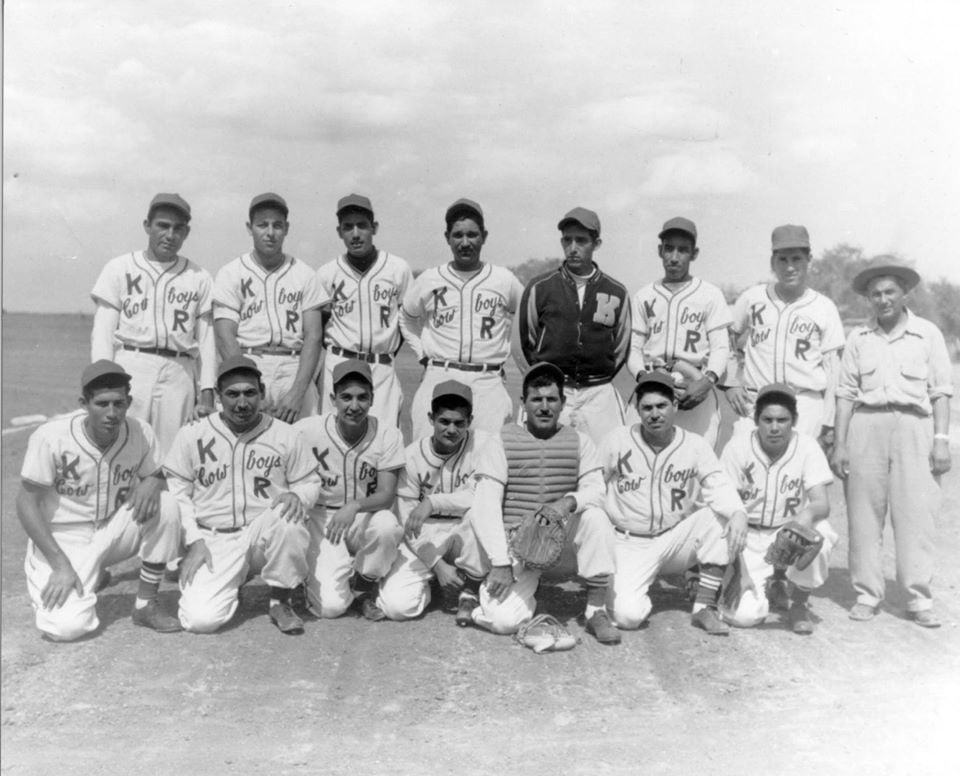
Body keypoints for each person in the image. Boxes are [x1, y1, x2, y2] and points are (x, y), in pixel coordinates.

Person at [16, 361, 181, 640]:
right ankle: (78, 574)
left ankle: (145, 603)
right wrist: (60, 565)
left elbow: (158, 473)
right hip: (63, 538)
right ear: (84, 403)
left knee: (166, 504)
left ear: (129, 402)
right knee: (67, 628)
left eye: (119, 404)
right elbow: (26, 503)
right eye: (102, 404)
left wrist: (153, 480)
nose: (112, 413)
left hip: (111, 530)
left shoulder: (139, 431)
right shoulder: (51, 436)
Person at [831, 262, 952, 628]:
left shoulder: (927, 334)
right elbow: (845, 394)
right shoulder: (859, 339)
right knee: (864, 515)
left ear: (904, 295)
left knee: (916, 514)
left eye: (889, 292)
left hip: (914, 427)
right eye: (876, 294)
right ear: (868, 298)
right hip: (866, 426)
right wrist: (839, 443)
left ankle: (918, 598)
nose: (883, 299)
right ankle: (867, 594)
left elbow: (941, 392)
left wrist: (941, 441)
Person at [163, 356, 321, 635]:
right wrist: (194, 541)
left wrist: (299, 496)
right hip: (214, 538)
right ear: (219, 398)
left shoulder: (285, 434)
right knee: (200, 621)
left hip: (263, 532)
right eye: (232, 394)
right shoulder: (193, 433)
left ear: (261, 393)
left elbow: (309, 482)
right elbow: (178, 495)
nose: (242, 402)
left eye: (250, 393)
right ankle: (233, 579)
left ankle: (280, 600)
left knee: (290, 519)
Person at [469, 362, 621, 645]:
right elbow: (485, 504)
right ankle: (500, 602)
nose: (544, 406)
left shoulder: (580, 441)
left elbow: (597, 490)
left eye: (552, 399)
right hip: (519, 542)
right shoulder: (501, 439)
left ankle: (596, 610)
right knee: (503, 622)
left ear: (563, 403)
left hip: (561, 541)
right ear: (523, 403)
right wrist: (500, 562)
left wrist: (568, 501)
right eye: (536, 399)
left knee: (596, 517)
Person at [599, 372, 748, 635]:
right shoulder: (617, 440)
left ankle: (705, 606)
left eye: (661, 406)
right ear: (637, 410)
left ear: (675, 406)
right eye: (647, 407)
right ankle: (632, 589)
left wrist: (737, 513)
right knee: (627, 616)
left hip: (673, 540)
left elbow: (718, 484)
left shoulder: (695, 445)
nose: (654, 414)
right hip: (628, 543)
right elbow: (594, 485)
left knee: (720, 516)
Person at [90, 192, 216, 457]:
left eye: (178, 228)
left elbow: (206, 341)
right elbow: (103, 332)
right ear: (147, 225)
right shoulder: (119, 268)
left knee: (171, 454)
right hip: (131, 364)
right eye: (163, 225)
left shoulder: (199, 276)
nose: (170, 235)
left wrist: (207, 391)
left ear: (186, 232)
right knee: (121, 446)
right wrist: (102, 378)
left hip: (179, 369)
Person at [401, 198, 524, 440]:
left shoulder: (503, 279)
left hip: (488, 380)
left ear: (484, 236)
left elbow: (528, 314)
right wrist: (422, 355)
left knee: (489, 460)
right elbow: (406, 318)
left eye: (472, 234)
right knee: (430, 459)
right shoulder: (429, 279)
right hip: (440, 374)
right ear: (447, 237)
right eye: (458, 235)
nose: (465, 242)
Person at [719, 383, 837, 634]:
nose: (774, 427)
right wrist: (738, 567)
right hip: (746, 535)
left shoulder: (806, 446)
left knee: (822, 534)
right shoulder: (737, 447)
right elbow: (724, 504)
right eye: (767, 419)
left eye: (782, 420)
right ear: (756, 419)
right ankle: (765, 582)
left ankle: (799, 604)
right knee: (745, 617)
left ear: (793, 420)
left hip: (787, 529)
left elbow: (821, 504)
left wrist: (799, 523)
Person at [295, 359, 405, 621]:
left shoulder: (388, 434)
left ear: (372, 399)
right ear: (333, 398)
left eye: (362, 398)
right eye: (346, 397)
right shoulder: (307, 430)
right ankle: (310, 574)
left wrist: (354, 506)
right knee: (331, 608)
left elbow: (386, 494)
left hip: (362, 515)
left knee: (387, 525)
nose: (354, 406)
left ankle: (364, 586)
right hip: (322, 518)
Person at [378, 380, 494, 622]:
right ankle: (436, 584)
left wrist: (432, 501)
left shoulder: (482, 445)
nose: (451, 429)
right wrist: (437, 566)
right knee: (397, 608)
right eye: (444, 421)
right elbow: (408, 523)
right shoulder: (411, 456)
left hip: (465, 534)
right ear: (431, 418)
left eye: (459, 423)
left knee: (478, 514)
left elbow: (478, 496)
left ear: (469, 422)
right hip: (426, 537)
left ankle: (470, 588)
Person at [518, 207, 633, 445]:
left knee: (609, 458)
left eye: (581, 240)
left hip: (599, 392)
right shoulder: (541, 287)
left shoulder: (616, 291)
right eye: (567, 240)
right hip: (553, 391)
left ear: (596, 243)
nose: (573, 248)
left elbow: (621, 345)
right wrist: (544, 382)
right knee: (544, 457)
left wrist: (599, 375)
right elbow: (524, 342)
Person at [213, 193, 327, 423]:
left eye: (277, 225)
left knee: (303, 446)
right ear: (250, 227)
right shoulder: (231, 273)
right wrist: (252, 388)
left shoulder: (304, 274)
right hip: (248, 362)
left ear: (287, 228)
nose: (270, 232)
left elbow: (313, 336)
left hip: (294, 367)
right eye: (262, 225)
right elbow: (225, 336)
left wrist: (297, 393)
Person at [726, 224, 844, 441]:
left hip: (805, 404)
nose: (790, 267)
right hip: (757, 400)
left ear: (809, 260)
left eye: (797, 259)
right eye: (783, 260)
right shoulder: (752, 297)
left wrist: (829, 420)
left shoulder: (824, 307)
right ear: (773, 262)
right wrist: (731, 382)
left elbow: (833, 369)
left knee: (799, 473)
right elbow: (725, 337)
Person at [628, 217, 731, 448]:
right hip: (653, 385)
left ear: (694, 254)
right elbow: (633, 350)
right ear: (659, 251)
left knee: (695, 468)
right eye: (669, 249)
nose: (674, 257)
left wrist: (706, 383)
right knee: (643, 464)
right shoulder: (644, 295)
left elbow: (721, 348)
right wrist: (645, 380)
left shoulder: (710, 294)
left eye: (683, 250)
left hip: (694, 386)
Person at [315, 194, 413, 428]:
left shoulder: (398, 269)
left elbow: (407, 321)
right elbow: (316, 329)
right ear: (339, 232)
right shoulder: (327, 273)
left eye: (362, 226)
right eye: (348, 227)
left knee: (383, 440)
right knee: (332, 442)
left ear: (374, 228)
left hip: (381, 367)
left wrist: (385, 352)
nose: (356, 234)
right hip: (338, 363)